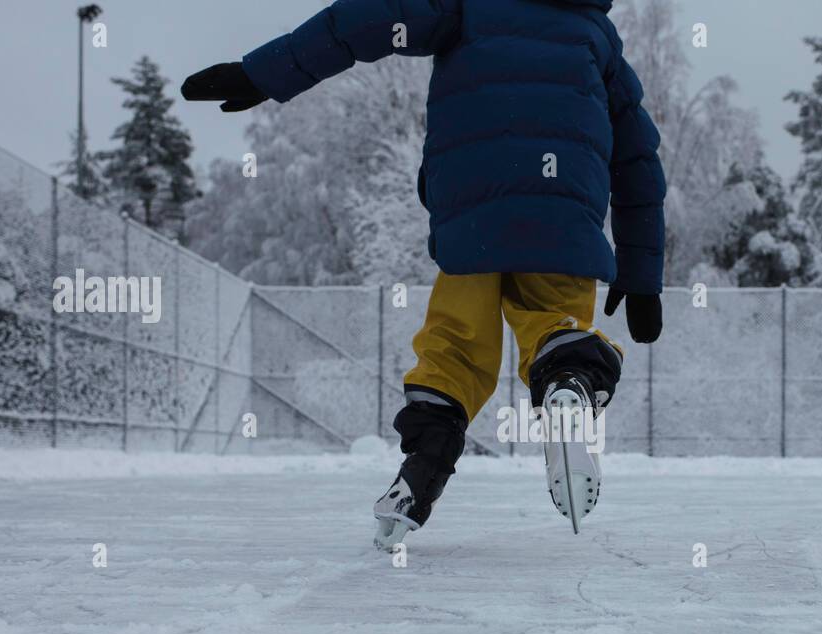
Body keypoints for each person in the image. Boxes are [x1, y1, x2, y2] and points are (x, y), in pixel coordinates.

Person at [183, 0, 666, 549]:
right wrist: (643, 273)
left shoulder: (467, 6)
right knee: (554, 321)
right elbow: (638, 160)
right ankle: (567, 381)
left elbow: (365, 22)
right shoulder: (595, 35)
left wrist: (264, 71)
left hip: (473, 209)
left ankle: (426, 461)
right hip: (564, 216)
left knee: (454, 347)